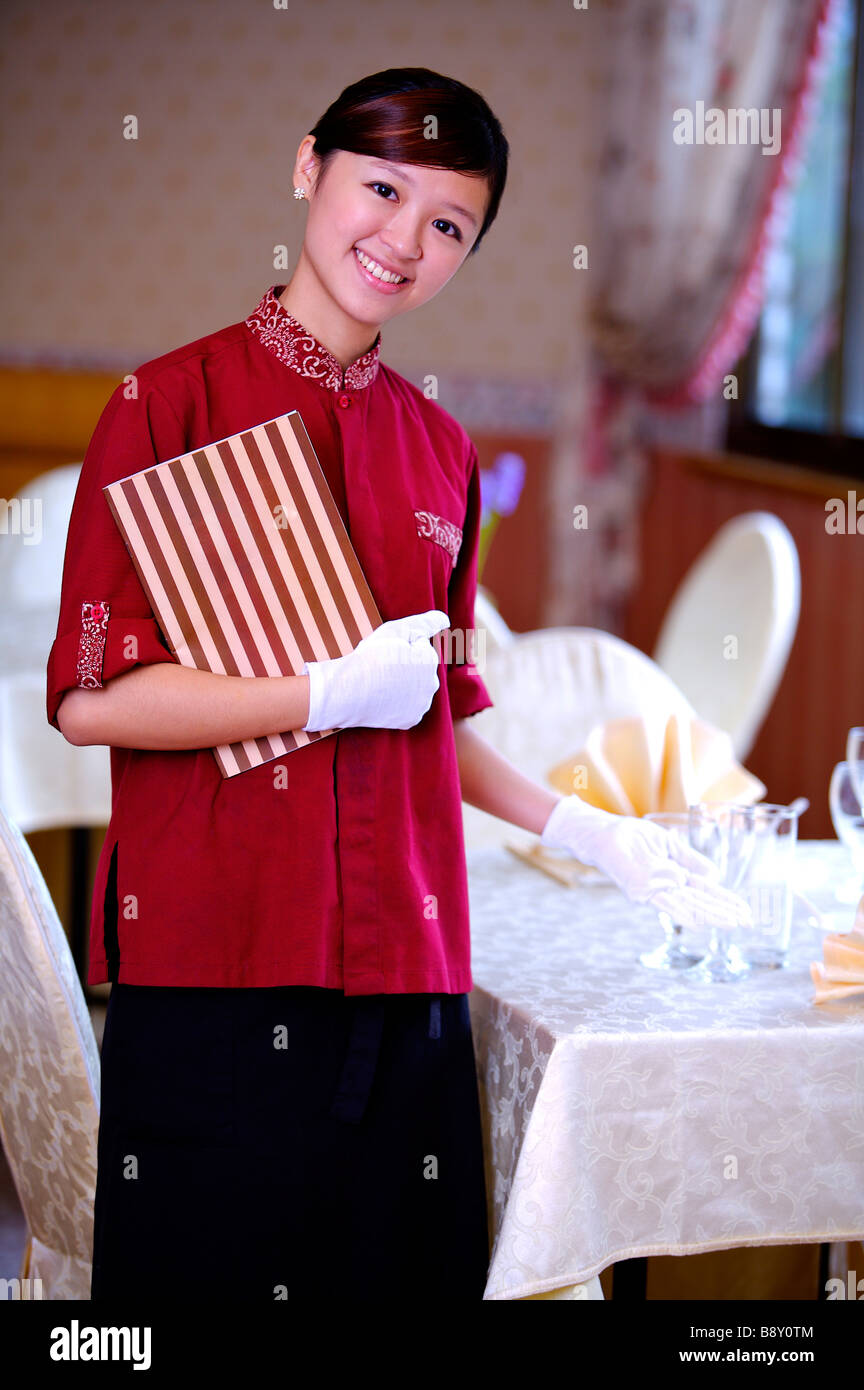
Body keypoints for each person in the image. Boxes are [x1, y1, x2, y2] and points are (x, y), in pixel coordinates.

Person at [47, 66, 752, 1302]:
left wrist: (591, 829)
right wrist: (316, 693)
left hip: (410, 970)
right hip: (220, 961)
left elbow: (433, 720)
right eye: (382, 188)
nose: (403, 240)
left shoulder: (441, 452)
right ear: (307, 166)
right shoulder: (164, 405)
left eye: (448, 225)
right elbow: (93, 697)